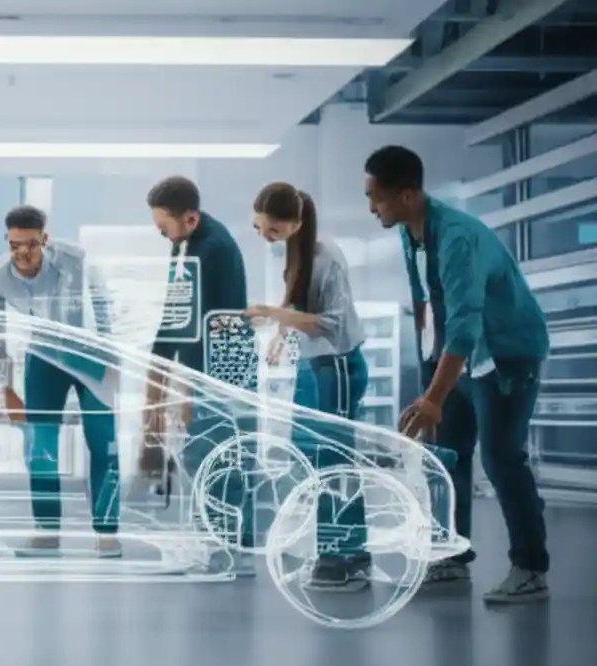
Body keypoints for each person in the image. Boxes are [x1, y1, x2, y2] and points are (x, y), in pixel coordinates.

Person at [365, 145, 551, 603]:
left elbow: (465, 324)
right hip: (461, 359)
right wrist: (432, 384)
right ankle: (450, 557)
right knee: (446, 455)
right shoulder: (412, 232)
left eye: (377, 198)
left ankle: (529, 569)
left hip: (505, 355)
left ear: (406, 195)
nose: (371, 207)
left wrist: (432, 399)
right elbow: (430, 307)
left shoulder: (455, 238)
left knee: (502, 458)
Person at [245, 182, 371, 591]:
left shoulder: (326, 256)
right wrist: (281, 333)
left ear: (297, 223)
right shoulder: (300, 251)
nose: (266, 238)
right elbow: (301, 304)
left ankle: (344, 554)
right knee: (311, 453)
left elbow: (330, 323)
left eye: (273, 232)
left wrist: (271, 313)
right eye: (259, 229)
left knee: (334, 460)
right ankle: (334, 548)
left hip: (337, 365)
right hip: (314, 364)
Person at [0, 206, 122, 558]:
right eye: (14, 245)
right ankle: (46, 529)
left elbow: (104, 304)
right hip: (44, 358)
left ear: (45, 239)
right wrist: (5, 388)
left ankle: (107, 530)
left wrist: (111, 353)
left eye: (30, 244)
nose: (22, 253)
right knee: (40, 447)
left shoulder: (75, 259)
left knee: (103, 443)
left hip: (90, 357)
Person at [141, 176, 253, 570]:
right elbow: (177, 309)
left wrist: (173, 377)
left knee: (218, 456)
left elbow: (184, 319)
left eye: (165, 228)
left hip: (221, 367)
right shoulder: (188, 242)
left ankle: (231, 547)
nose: (163, 237)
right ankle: (219, 541)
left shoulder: (211, 249)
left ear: (189, 218)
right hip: (207, 361)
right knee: (206, 455)